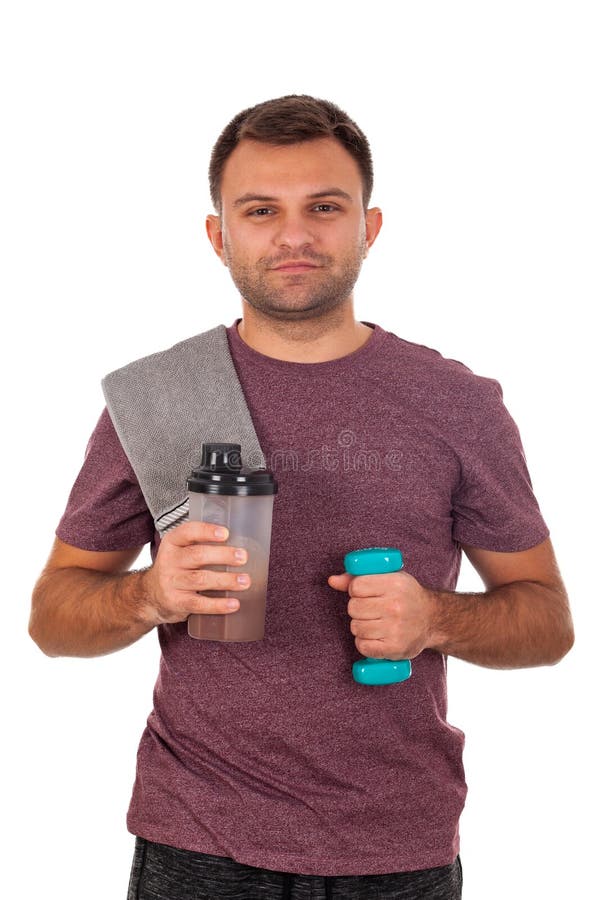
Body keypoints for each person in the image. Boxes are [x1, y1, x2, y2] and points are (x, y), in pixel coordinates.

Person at [29, 94, 574, 900]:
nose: (293, 235)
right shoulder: (157, 398)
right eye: (260, 210)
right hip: (198, 843)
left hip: (398, 845)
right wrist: (149, 593)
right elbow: (53, 618)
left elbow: (547, 623)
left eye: (325, 207)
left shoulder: (457, 403)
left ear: (369, 226)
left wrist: (435, 618)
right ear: (219, 236)